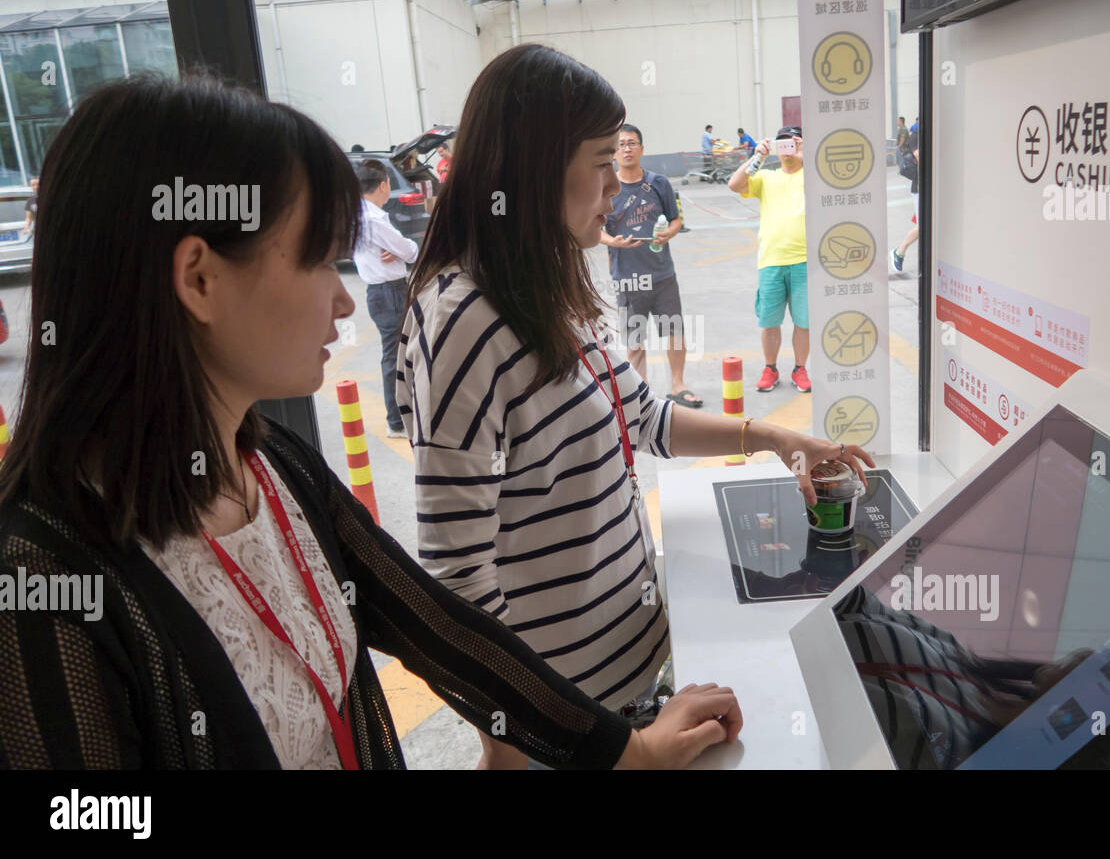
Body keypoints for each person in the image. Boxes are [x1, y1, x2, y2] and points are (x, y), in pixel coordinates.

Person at [0, 72, 744, 770]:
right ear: (199, 278)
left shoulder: (273, 467)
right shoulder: (43, 578)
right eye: (321, 262)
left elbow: (439, 628)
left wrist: (621, 751)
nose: (347, 301)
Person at [397, 44, 875, 768]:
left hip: (628, 690)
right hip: (569, 730)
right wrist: (587, 750)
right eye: (598, 165)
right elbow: (457, 595)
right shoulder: (464, 323)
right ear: (531, 172)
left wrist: (776, 438)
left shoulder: (551, 289)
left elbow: (644, 417)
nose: (615, 189)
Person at [599, 123, 702, 409]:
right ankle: (640, 394)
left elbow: (676, 219)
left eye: (632, 143)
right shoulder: (607, 188)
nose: (627, 149)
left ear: (642, 149)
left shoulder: (659, 183)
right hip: (628, 279)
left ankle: (678, 385)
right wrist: (614, 242)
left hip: (662, 274)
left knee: (675, 332)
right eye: (621, 144)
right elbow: (597, 230)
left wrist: (670, 231)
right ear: (614, 152)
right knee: (634, 340)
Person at [728, 125, 811, 393]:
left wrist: (805, 155)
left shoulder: (812, 176)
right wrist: (757, 156)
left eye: (793, 142)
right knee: (769, 320)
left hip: (805, 260)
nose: (788, 147)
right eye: (783, 142)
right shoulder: (765, 176)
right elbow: (734, 184)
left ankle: (800, 368)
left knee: (804, 321)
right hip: (771, 260)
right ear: (775, 146)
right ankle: (770, 368)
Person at [353, 159, 420, 438]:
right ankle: (396, 421)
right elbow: (411, 251)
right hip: (389, 291)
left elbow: (398, 249)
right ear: (383, 185)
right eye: (389, 184)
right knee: (395, 357)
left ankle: (401, 415)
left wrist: (397, 250)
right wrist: (402, 249)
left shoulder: (358, 214)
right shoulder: (374, 219)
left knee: (398, 354)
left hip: (381, 291)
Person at [893, 122, 921, 271]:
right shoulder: (916, 136)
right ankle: (900, 251)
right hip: (920, 187)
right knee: (923, 226)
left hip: (932, 187)